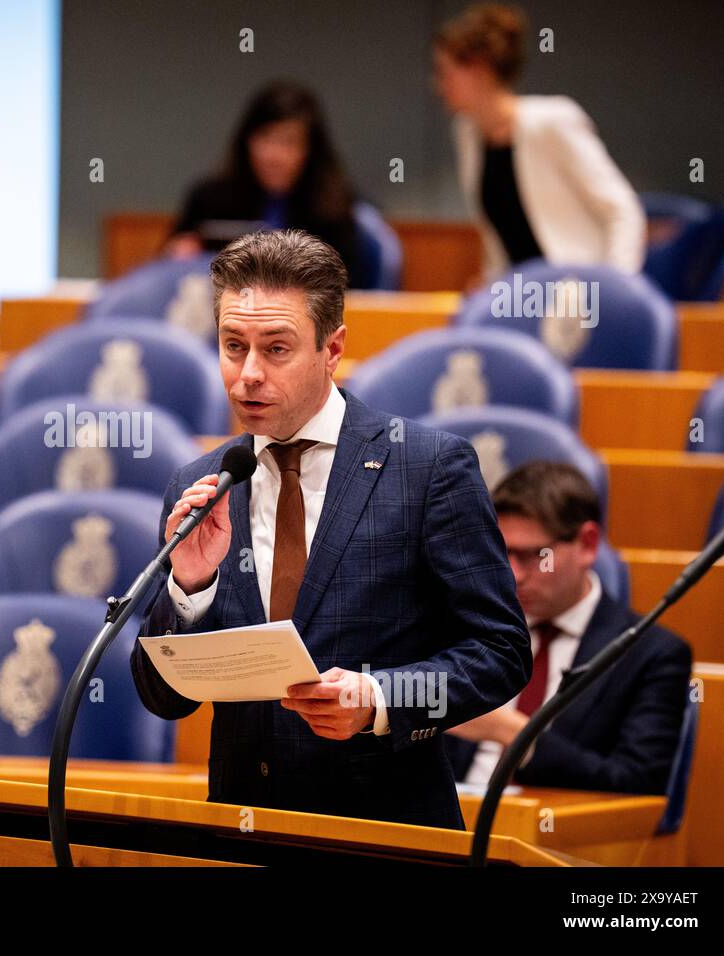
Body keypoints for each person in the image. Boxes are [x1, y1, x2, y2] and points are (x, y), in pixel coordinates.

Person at [131, 229, 531, 830]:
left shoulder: (426, 469)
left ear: (333, 347)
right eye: (233, 346)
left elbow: (500, 652)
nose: (248, 375)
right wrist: (189, 587)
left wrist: (380, 700)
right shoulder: (202, 485)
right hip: (245, 831)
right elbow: (164, 698)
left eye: (277, 349)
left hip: (387, 834)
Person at [445, 461, 692, 794]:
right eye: (502, 553)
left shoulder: (651, 654)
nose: (513, 575)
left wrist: (513, 732)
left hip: (555, 837)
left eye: (533, 555)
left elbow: (636, 783)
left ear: (587, 544)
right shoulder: (467, 629)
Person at [432, 3, 645, 280]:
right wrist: (493, 286)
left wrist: (615, 290)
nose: (438, 84)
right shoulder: (466, 132)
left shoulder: (552, 122)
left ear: (479, 69)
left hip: (580, 293)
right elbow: (499, 239)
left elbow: (623, 211)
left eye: (445, 72)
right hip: (521, 295)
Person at [165, 80, 361, 287]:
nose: (273, 156)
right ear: (247, 141)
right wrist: (179, 256)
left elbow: (343, 289)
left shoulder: (334, 210)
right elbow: (164, 270)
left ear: (310, 150)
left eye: (288, 142)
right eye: (265, 138)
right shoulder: (208, 198)